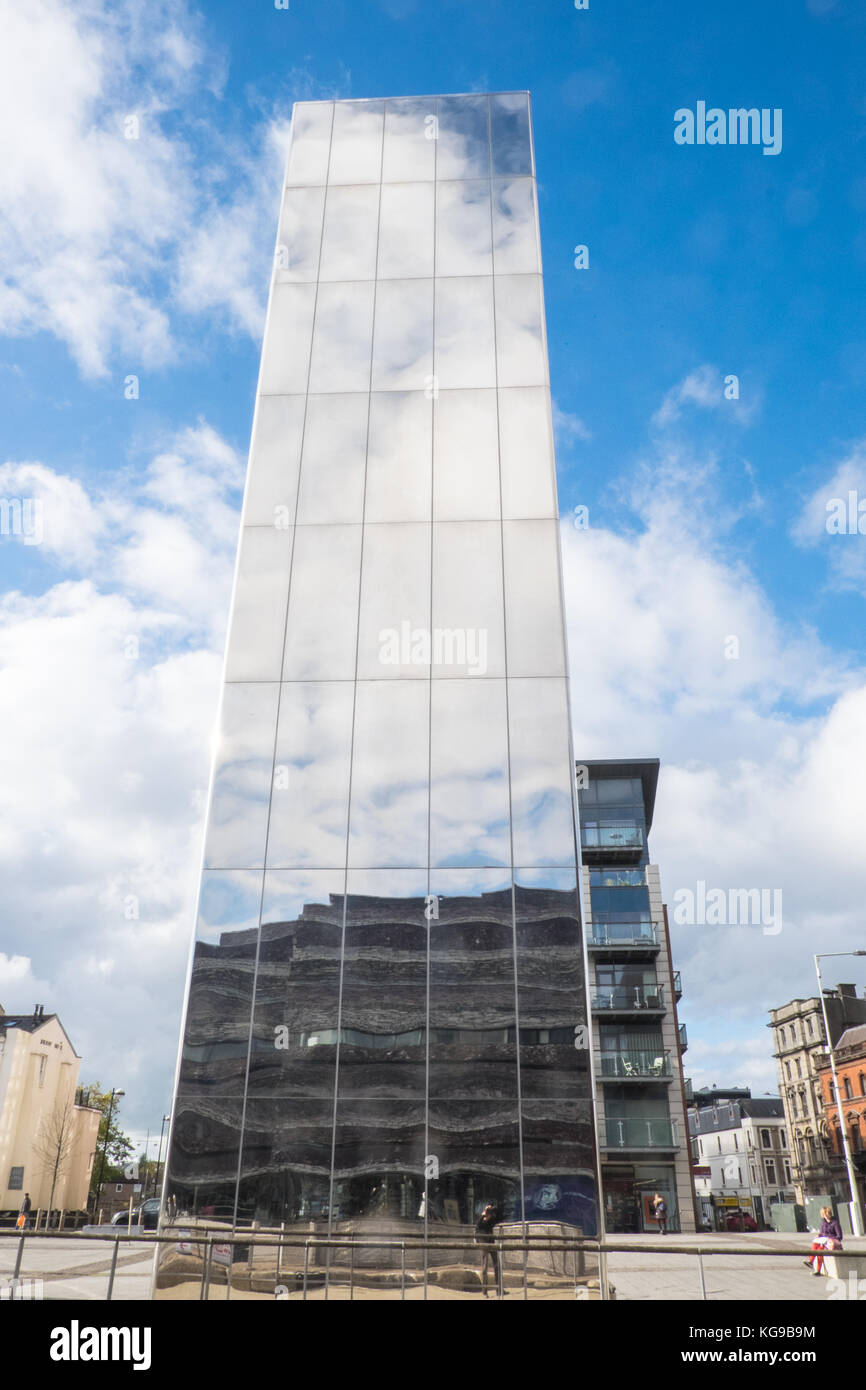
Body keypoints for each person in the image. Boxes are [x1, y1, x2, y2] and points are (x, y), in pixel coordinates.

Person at [476, 1203, 506, 1298]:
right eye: (488, 1212)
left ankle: (499, 1290)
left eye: (489, 1212)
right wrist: (484, 1214)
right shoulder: (481, 1219)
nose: (489, 1214)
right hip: (483, 1240)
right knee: (484, 1267)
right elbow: (478, 1226)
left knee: (497, 1264)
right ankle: (484, 1291)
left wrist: (493, 1210)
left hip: (491, 1241)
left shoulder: (492, 1219)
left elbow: (499, 1218)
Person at [804, 1207, 842, 1276]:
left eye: (827, 1214)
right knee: (815, 1244)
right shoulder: (823, 1222)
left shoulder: (835, 1223)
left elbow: (839, 1236)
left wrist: (829, 1238)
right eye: (824, 1215)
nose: (826, 1216)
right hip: (823, 1241)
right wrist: (819, 1235)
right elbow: (822, 1233)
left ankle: (818, 1270)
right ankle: (811, 1261)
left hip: (831, 1243)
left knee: (819, 1250)